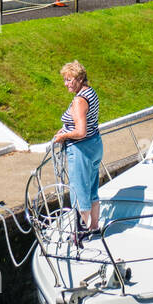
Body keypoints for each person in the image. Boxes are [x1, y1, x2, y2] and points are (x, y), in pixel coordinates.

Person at [54, 61, 102, 234]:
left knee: (79, 192)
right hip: (95, 144)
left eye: (69, 80)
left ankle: (79, 235)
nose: (65, 83)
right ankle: (94, 226)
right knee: (92, 189)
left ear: (80, 78)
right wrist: (66, 128)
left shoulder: (79, 101)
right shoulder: (90, 92)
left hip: (81, 149)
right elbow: (87, 123)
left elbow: (80, 131)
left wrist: (64, 136)